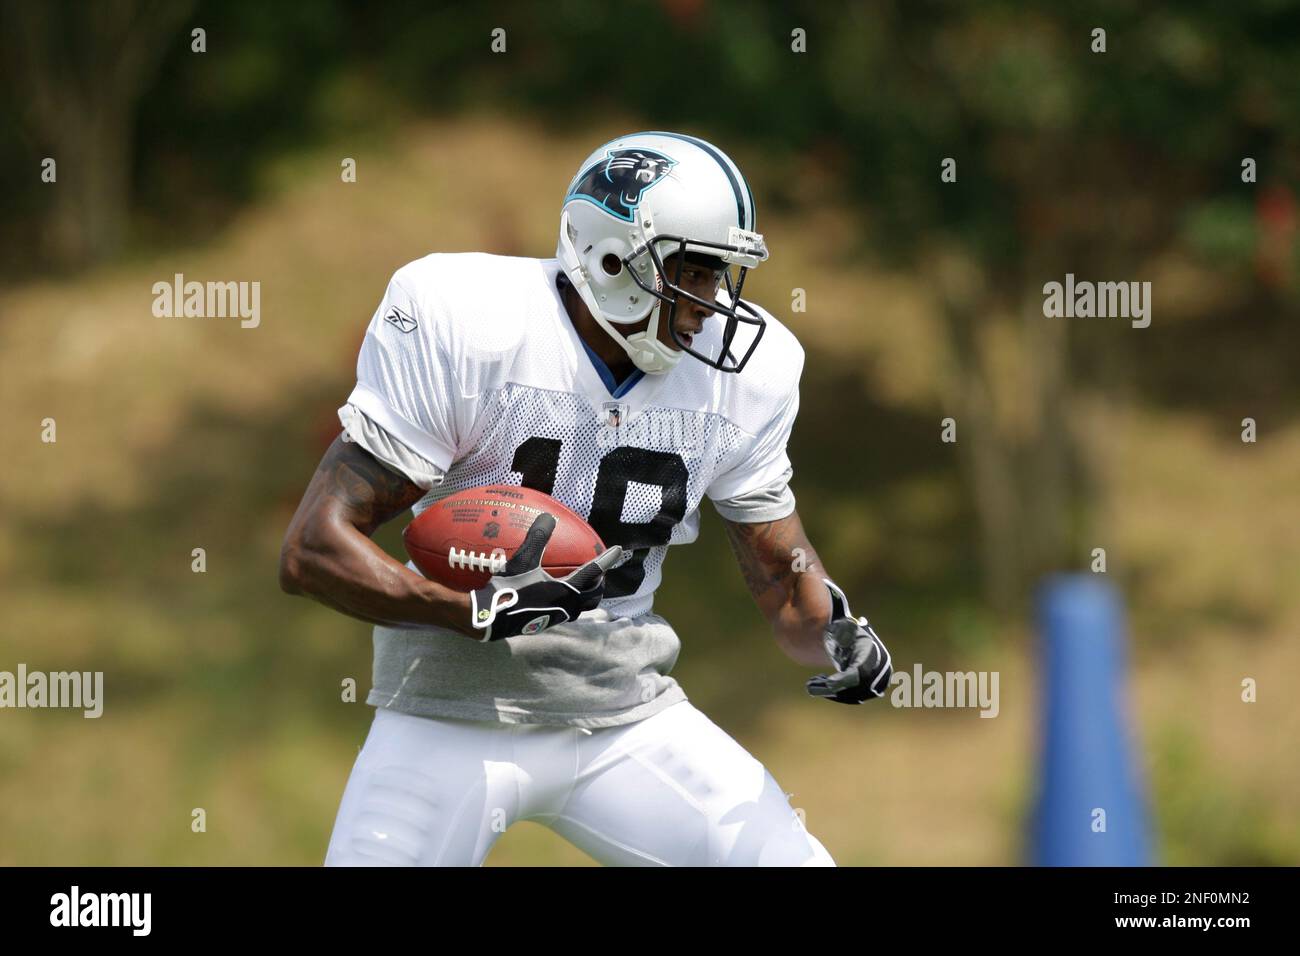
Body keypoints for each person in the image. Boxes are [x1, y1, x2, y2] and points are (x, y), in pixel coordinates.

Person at [279, 131, 893, 866]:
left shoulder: (746, 377)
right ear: (612, 259)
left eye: (722, 276)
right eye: (695, 273)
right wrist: (476, 612)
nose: (713, 304)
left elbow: (786, 592)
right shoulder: (472, 323)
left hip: (624, 716)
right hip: (446, 713)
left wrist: (836, 631)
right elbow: (312, 549)